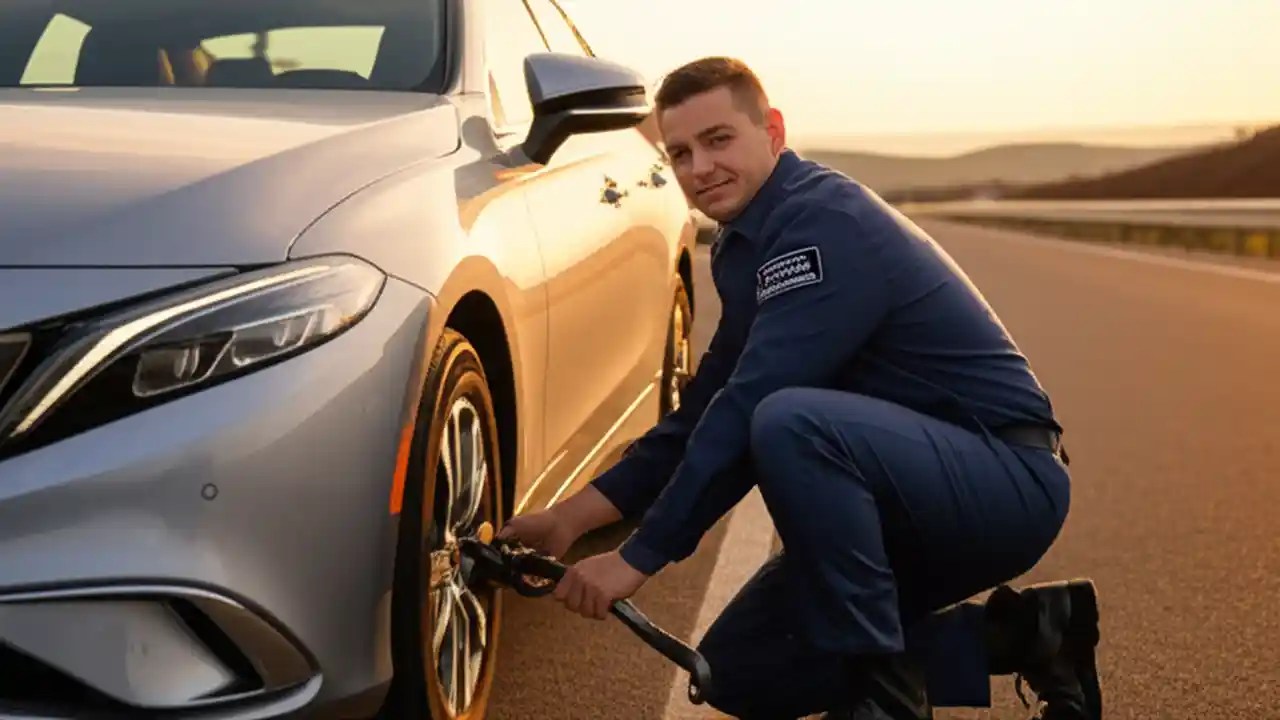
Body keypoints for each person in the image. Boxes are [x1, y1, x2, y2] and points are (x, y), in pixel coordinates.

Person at [498, 56, 1102, 720]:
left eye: (719, 140)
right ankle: (1034, 636)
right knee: (737, 673)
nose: (699, 167)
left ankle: (887, 700)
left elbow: (751, 406)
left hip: (1000, 481)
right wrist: (570, 519)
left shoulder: (822, 223)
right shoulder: (746, 245)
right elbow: (700, 416)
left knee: (790, 421)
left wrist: (637, 559)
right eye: (680, 153)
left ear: (773, 132)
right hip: (898, 500)